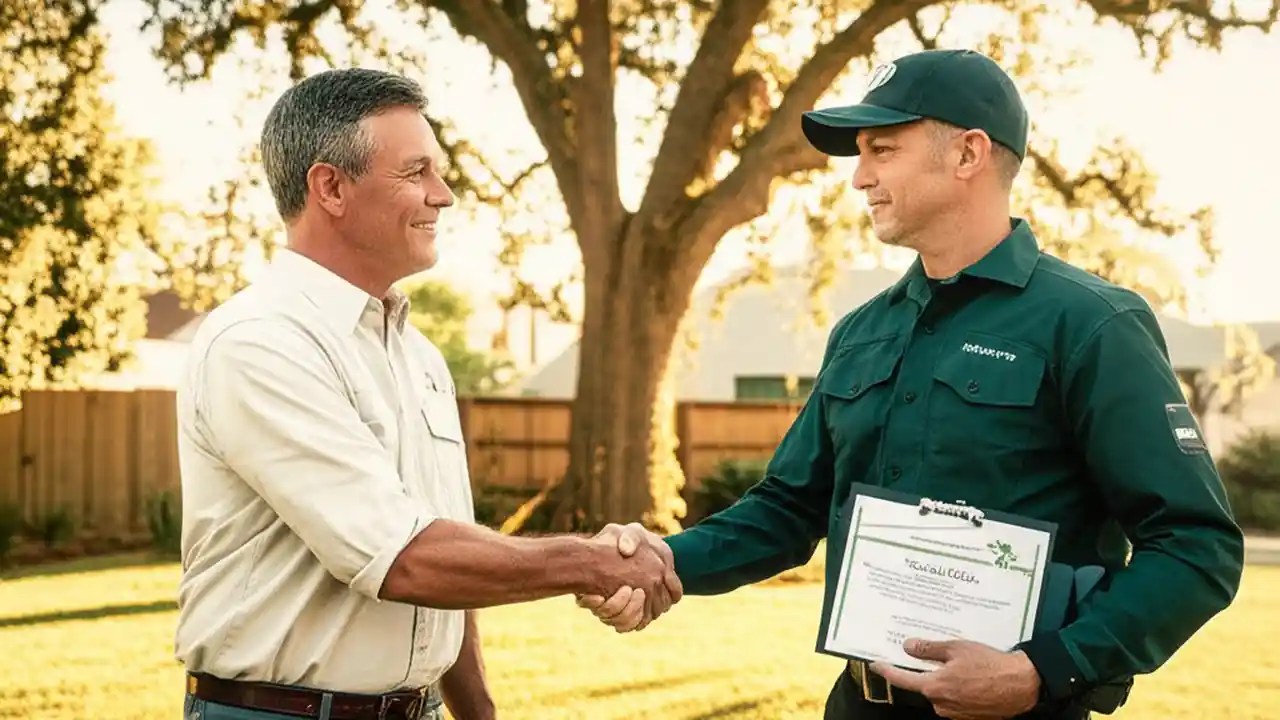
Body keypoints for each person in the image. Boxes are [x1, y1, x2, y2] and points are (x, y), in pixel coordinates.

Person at [580, 48, 1244, 720]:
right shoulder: (862, 331)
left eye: (882, 149)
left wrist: (1042, 670)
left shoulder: (1093, 323)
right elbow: (788, 509)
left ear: (967, 154)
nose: (859, 178)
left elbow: (1195, 546)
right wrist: (663, 559)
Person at [174, 68, 681, 720]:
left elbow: (448, 567)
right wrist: (592, 562)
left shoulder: (418, 357)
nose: (443, 195)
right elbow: (406, 561)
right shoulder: (261, 344)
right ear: (330, 186)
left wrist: (479, 714)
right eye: (416, 173)